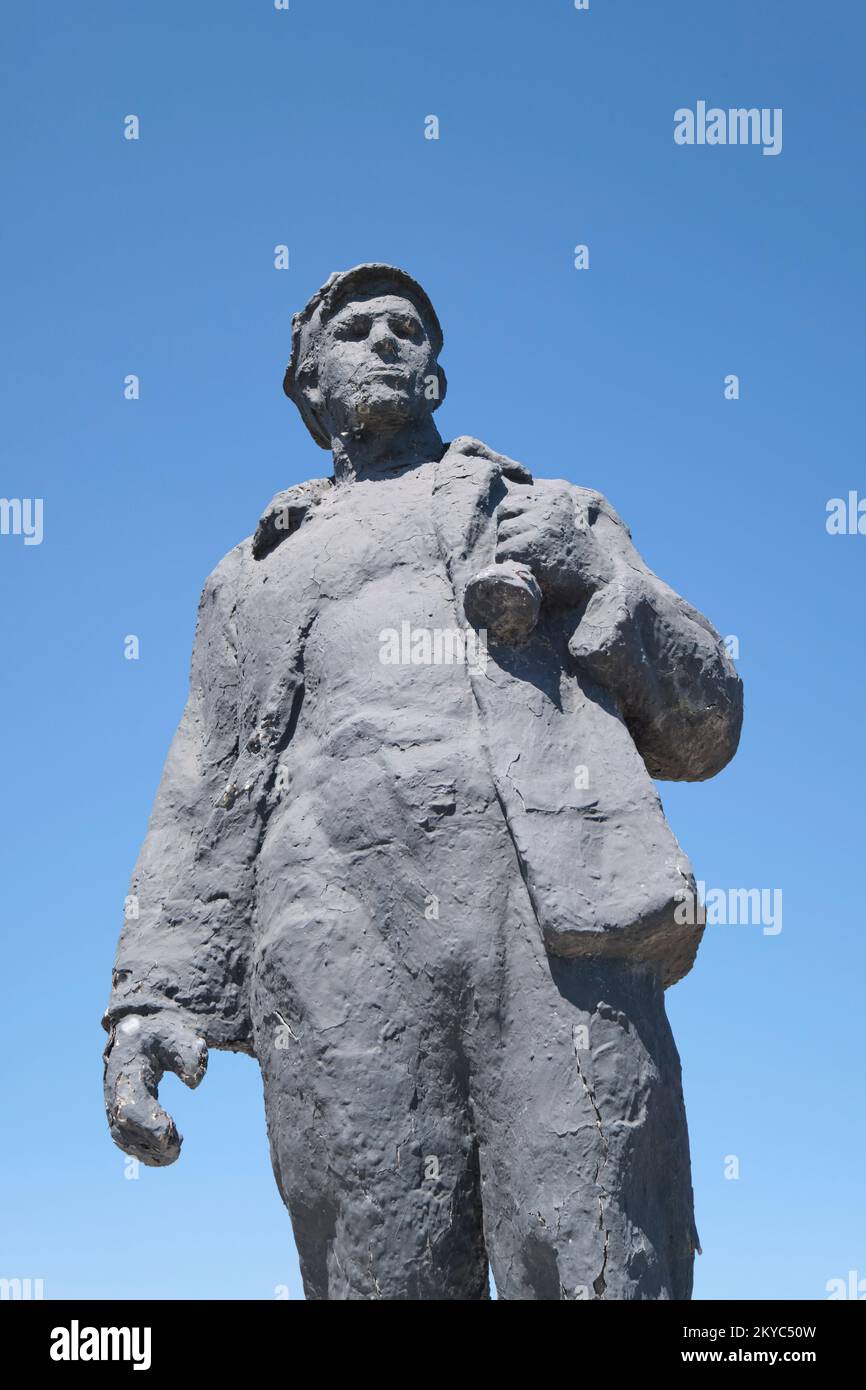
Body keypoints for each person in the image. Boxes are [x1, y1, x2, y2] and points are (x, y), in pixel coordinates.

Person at [102, 264, 742, 1299]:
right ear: (307, 387)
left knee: (594, 1252)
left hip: (546, 917)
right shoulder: (251, 576)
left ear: (437, 374)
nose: (388, 339)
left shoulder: (545, 511)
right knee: (374, 1266)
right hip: (329, 934)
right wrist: (148, 1000)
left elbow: (705, 723)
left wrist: (595, 576)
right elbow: (203, 783)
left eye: (409, 327)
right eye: (355, 328)